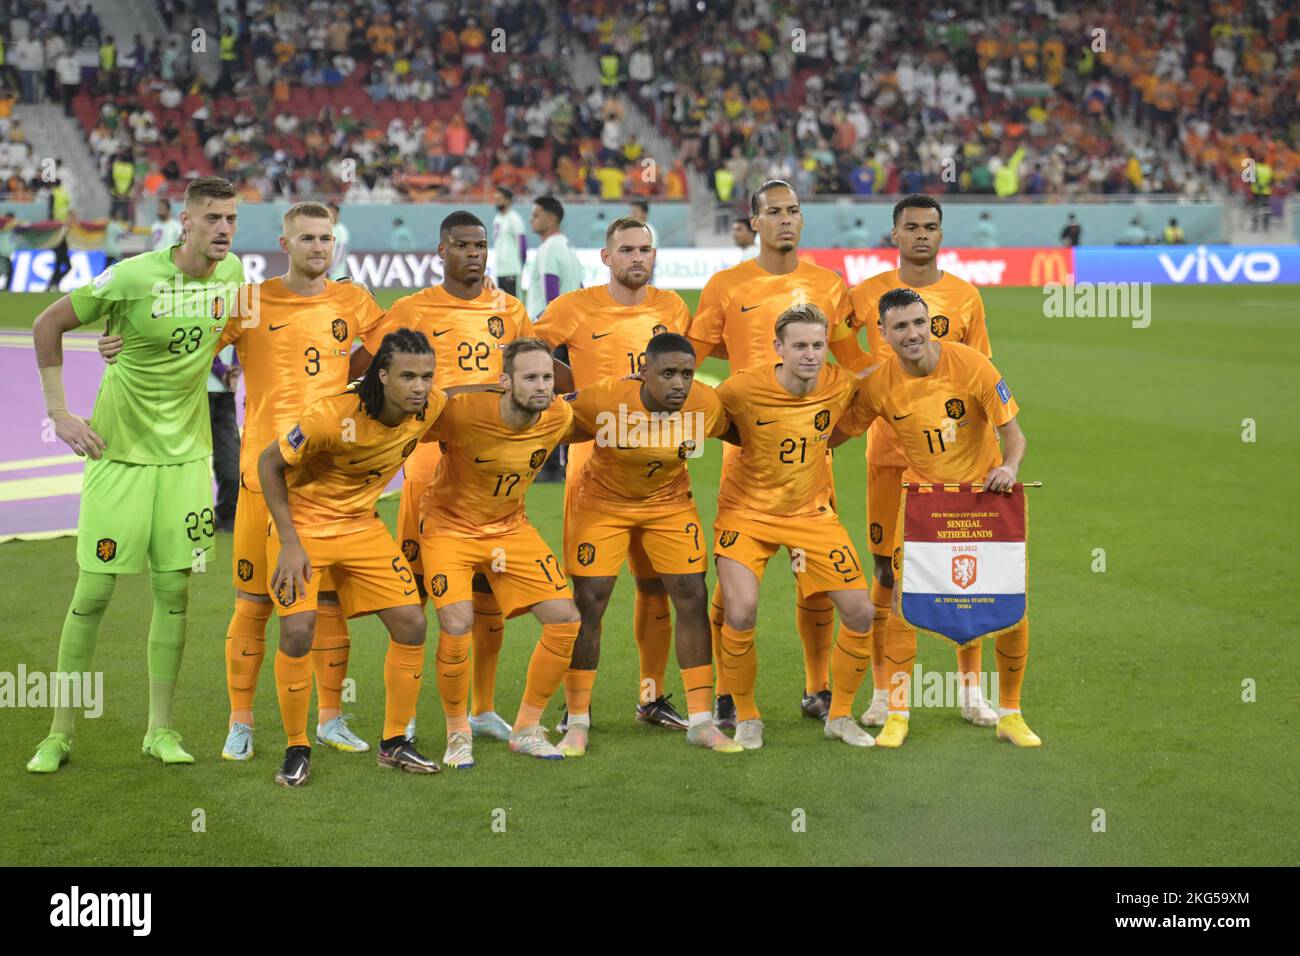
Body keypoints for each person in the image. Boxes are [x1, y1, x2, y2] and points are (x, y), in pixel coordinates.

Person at [96, 200, 387, 761]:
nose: (318, 248)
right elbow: (188, 343)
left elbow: (390, 349)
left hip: (330, 482)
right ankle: (242, 721)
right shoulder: (249, 302)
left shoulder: (355, 300)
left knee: (327, 605)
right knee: (253, 606)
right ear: (285, 245)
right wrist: (120, 343)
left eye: (325, 238)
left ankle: (330, 717)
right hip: (264, 477)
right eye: (306, 238)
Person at [27, 176, 244, 773]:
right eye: (213, 218)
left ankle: (159, 731)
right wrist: (60, 412)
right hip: (118, 454)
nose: (224, 229)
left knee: (174, 592)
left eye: (231, 218)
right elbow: (47, 326)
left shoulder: (234, 277)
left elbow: (227, 332)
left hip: (184, 461)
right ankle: (59, 734)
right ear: (186, 221)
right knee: (93, 591)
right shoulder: (130, 276)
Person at [686, 179, 868, 728]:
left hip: (811, 455)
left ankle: (818, 689)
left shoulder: (829, 285)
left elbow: (851, 364)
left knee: (816, 577)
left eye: (794, 211)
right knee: (738, 587)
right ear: (754, 220)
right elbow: (689, 357)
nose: (786, 220)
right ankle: (727, 692)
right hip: (747, 451)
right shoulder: (726, 284)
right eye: (774, 212)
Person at [350, 210, 533, 743]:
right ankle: (401, 722)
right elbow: (365, 369)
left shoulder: (511, 310)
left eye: (480, 245)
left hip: (493, 475)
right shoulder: (412, 309)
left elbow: (531, 373)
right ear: (441, 252)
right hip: (429, 470)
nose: (473, 254)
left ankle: (481, 708)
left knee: (486, 595)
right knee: (413, 598)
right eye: (461, 245)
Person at [833, 288, 1037, 748]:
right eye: (900, 326)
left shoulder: (973, 365)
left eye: (918, 323)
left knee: (1005, 605)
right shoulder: (880, 385)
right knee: (907, 607)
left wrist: (1008, 467)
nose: (912, 334)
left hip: (985, 499)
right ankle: (898, 715)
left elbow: (1015, 436)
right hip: (925, 504)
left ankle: (1011, 714)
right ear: (882, 333)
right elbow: (837, 434)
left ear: (930, 323)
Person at [258, 329, 447, 786]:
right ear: (381, 376)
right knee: (299, 630)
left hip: (362, 526)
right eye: (407, 377)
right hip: (302, 528)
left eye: (426, 376)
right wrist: (288, 541)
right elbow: (269, 463)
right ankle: (297, 748)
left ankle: (395, 742)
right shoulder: (330, 416)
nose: (420, 387)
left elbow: (461, 398)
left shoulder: (430, 406)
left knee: (411, 623)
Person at [532, 217, 692, 733]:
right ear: (606, 257)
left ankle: (650, 696)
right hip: (593, 472)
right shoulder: (574, 308)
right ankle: (576, 708)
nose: (637, 258)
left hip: (660, 471)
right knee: (590, 597)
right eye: (626, 249)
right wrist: (575, 389)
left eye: (645, 248)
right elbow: (529, 354)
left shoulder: (672, 308)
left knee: (657, 589)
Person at [847, 194, 997, 727]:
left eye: (930, 227)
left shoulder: (964, 297)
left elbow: (982, 370)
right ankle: (885, 692)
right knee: (886, 569)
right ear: (894, 233)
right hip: (889, 456)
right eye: (910, 227)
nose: (921, 236)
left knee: (968, 568)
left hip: (957, 462)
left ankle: (973, 691)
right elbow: (835, 339)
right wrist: (865, 370)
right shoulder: (867, 293)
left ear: (941, 233)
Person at [556, 331, 741, 756]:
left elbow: (741, 432)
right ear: (643, 371)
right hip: (602, 505)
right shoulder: (603, 398)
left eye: (687, 374)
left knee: (691, 596)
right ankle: (577, 719)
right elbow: (552, 420)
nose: (679, 383)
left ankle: (699, 720)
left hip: (669, 505)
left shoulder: (704, 404)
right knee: (590, 601)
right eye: (668, 373)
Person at [712, 304, 877, 750]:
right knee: (741, 611)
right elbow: (699, 410)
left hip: (810, 515)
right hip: (747, 514)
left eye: (818, 345)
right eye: (800, 345)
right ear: (778, 348)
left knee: (861, 612)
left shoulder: (838, 384)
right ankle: (746, 716)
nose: (810, 354)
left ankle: (839, 716)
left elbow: (876, 384)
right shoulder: (743, 389)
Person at [418, 338, 583, 766]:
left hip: (510, 528)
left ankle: (527, 727)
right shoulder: (464, 413)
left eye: (547, 377)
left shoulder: (559, 416)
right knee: (457, 622)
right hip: (448, 528)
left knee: (565, 619)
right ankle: (457, 733)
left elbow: (600, 409)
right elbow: (409, 421)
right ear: (504, 382)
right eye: (530, 378)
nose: (542, 386)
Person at [523, 194, 582, 319]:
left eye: (536, 215)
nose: (530, 220)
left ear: (550, 220)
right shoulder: (568, 245)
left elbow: (551, 295)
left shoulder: (548, 247)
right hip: (568, 322)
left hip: (545, 327)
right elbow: (581, 288)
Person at [208, 344, 240, 532]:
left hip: (220, 390)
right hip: (205, 387)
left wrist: (233, 369)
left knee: (231, 458)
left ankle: (228, 515)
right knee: (230, 455)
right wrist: (225, 369)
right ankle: (227, 516)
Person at [490, 187, 525, 296]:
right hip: (500, 269)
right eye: (496, 199)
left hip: (512, 268)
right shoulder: (497, 219)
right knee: (503, 305)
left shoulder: (514, 218)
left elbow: (522, 242)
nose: (497, 202)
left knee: (514, 303)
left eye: (499, 199)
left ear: (508, 200)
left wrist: (521, 263)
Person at [327, 202, 350, 279]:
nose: (329, 215)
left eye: (332, 212)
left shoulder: (341, 230)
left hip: (336, 274)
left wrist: (330, 271)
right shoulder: (325, 228)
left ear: (337, 214)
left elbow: (340, 253)